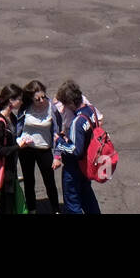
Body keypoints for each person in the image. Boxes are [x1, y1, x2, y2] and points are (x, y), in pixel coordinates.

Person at [52, 80, 102, 214]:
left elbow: (76, 151)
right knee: (87, 197)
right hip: (88, 163)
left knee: (73, 204)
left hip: (74, 168)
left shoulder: (77, 123)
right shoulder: (91, 110)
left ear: (70, 103)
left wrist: (60, 142)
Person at [17, 80, 60, 213]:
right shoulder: (25, 107)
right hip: (26, 149)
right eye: (37, 99)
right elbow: (18, 126)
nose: (42, 100)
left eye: (43, 97)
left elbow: (57, 132)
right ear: (31, 99)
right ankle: (32, 209)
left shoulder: (52, 108)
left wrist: (57, 155)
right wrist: (17, 141)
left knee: (49, 181)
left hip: (44, 149)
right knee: (29, 181)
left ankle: (56, 209)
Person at [0, 84, 24, 215]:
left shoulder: (11, 117)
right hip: (3, 170)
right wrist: (17, 147)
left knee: (6, 202)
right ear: (10, 100)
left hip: (10, 168)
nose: (22, 102)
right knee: (6, 203)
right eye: (19, 99)